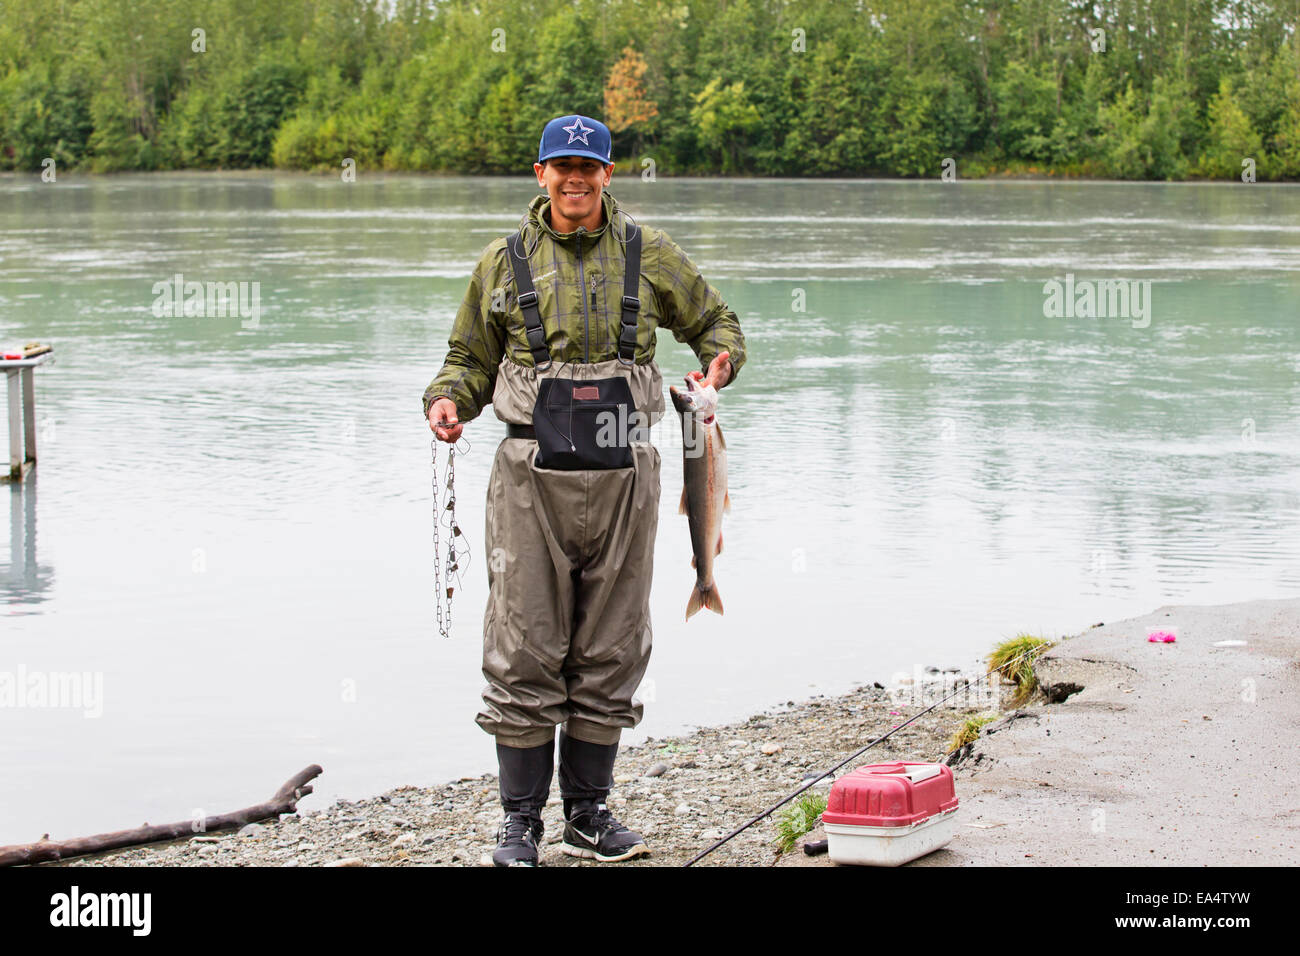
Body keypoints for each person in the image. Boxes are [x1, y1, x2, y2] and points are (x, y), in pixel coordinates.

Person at [423, 114, 746, 866]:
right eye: (562, 165)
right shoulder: (500, 262)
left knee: (612, 643)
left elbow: (716, 323)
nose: (575, 178)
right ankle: (519, 823)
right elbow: (467, 358)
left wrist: (721, 363)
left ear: (608, 175)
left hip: (628, 477)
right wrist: (447, 401)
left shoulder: (649, 251)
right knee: (524, 643)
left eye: (589, 166)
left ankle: (590, 814)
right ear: (540, 174)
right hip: (527, 479)